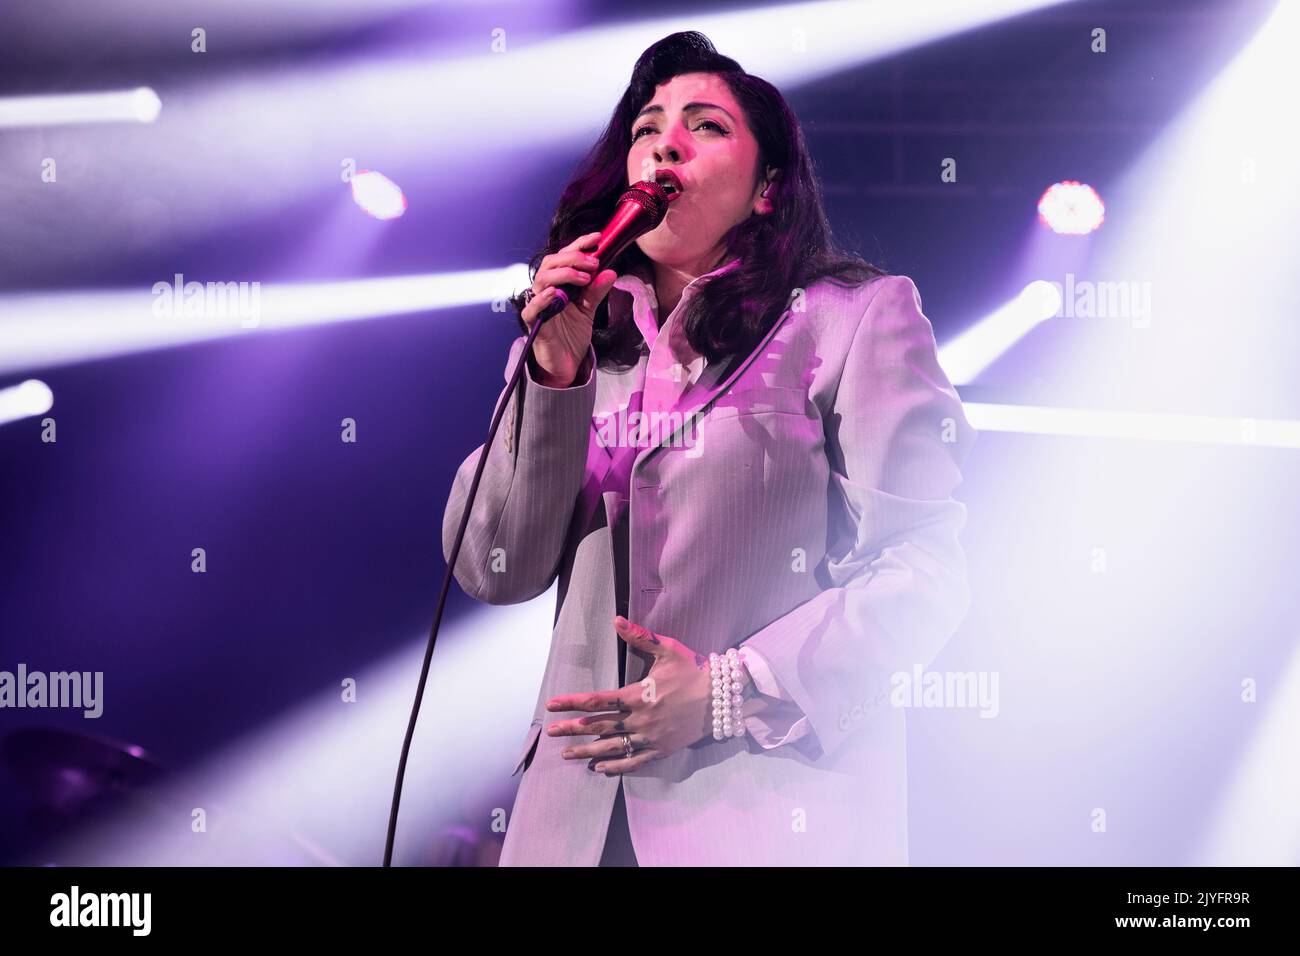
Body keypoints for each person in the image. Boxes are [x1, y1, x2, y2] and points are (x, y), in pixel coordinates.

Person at [442, 31, 977, 866]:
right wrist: (553, 374)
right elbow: (495, 569)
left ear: (767, 190)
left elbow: (925, 571)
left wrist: (728, 692)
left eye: (706, 125)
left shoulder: (852, 320)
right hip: (570, 828)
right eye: (647, 127)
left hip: (765, 815)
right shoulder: (575, 340)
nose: (664, 142)